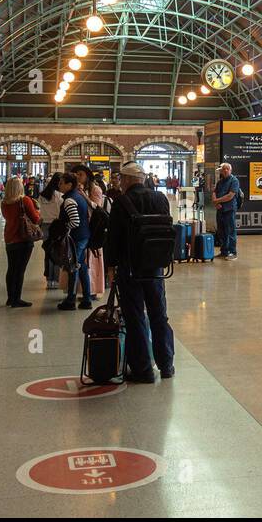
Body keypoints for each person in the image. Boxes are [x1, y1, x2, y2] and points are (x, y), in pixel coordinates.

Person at [105, 160, 175, 383]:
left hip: (130, 267)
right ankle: (166, 365)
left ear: (126, 180)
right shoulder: (160, 198)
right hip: (155, 266)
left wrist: (110, 266)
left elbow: (113, 238)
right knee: (159, 315)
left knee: (135, 317)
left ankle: (143, 369)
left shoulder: (121, 201)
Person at [0, 177, 40, 308]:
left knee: (11, 268)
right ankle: (17, 299)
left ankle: (10, 298)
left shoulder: (4, 202)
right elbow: (35, 218)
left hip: (9, 237)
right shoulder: (25, 200)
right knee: (20, 270)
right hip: (23, 238)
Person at [55, 172, 93, 310]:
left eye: (61, 183)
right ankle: (87, 299)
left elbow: (75, 221)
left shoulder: (70, 200)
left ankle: (71, 300)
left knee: (73, 268)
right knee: (81, 267)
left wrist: (65, 229)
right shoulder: (78, 196)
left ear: (69, 185)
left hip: (76, 238)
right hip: (84, 236)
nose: (59, 185)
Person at [37, 172, 64, 288]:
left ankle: (49, 279)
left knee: (48, 252)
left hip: (45, 225)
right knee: (57, 253)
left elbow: (40, 211)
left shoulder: (42, 195)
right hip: (56, 226)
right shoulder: (60, 196)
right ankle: (56, 280)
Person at [212, 163, 241, 259]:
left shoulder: (234, 181)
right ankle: (224, 251)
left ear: (230, 170)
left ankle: (233, 252)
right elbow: (214, 192)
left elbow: (230, 196)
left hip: (229, 209)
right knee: (221, 231)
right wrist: (215, 203)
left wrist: (217, 201)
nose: (225, 171)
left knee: (231, 231)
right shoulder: (220, 182)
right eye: (223, 169)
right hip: (220, 210)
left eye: (227, 169)